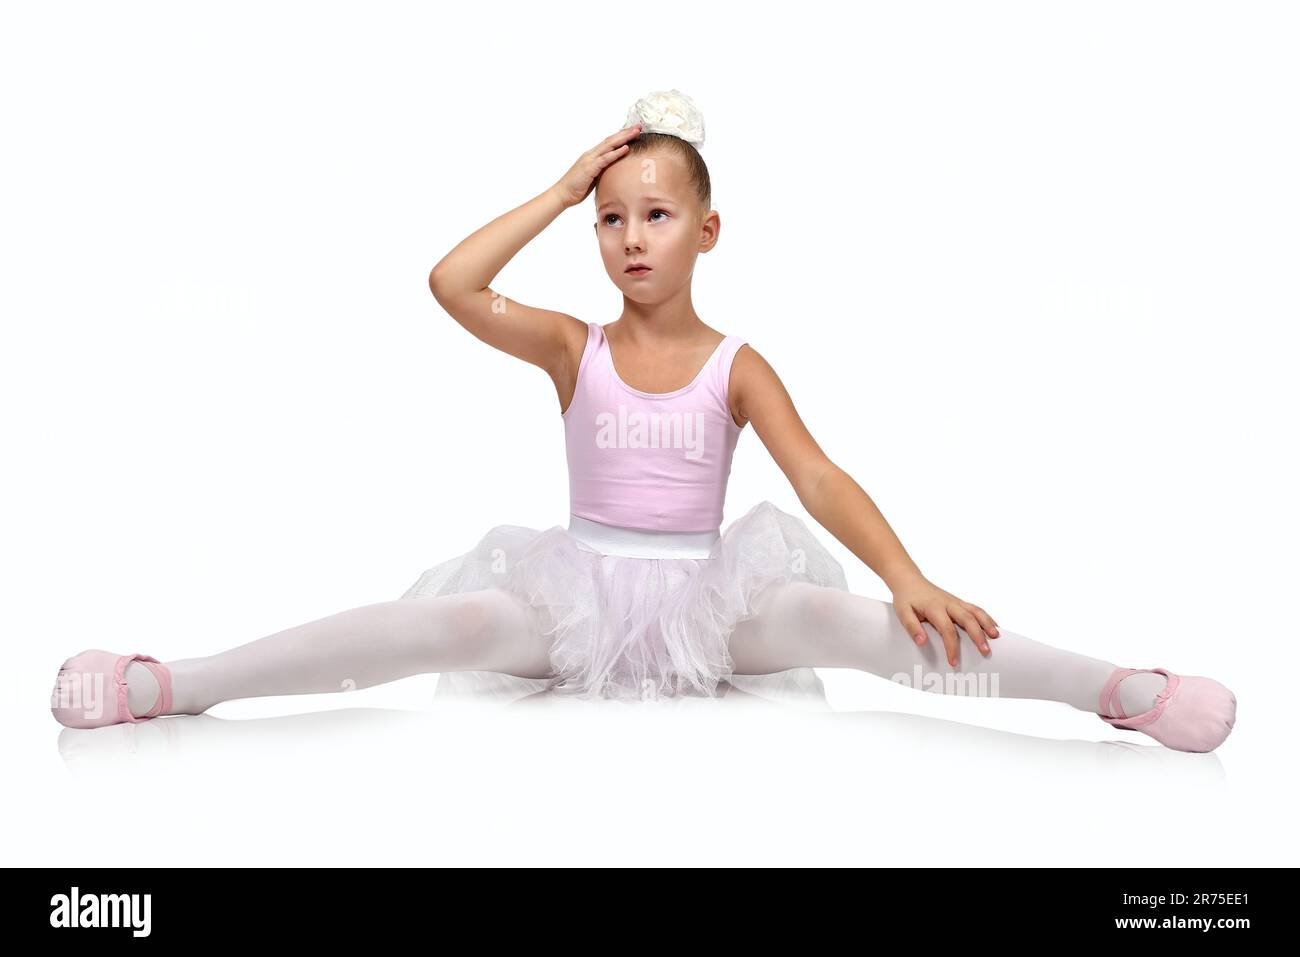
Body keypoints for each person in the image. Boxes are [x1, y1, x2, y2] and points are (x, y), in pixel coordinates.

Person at [50, 90, 1236, 752]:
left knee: (868, 628)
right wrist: (561, 184)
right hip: (572, 599)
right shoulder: (575, 347)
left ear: (705, 231)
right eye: (610, 219)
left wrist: (906, 571)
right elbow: (452, 285)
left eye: (655, 215)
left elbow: (816, 476)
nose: (629, 239)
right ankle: (179, 683)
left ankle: (1114, 688)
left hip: (712, 607)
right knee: (420, 627)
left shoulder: (734, 362)